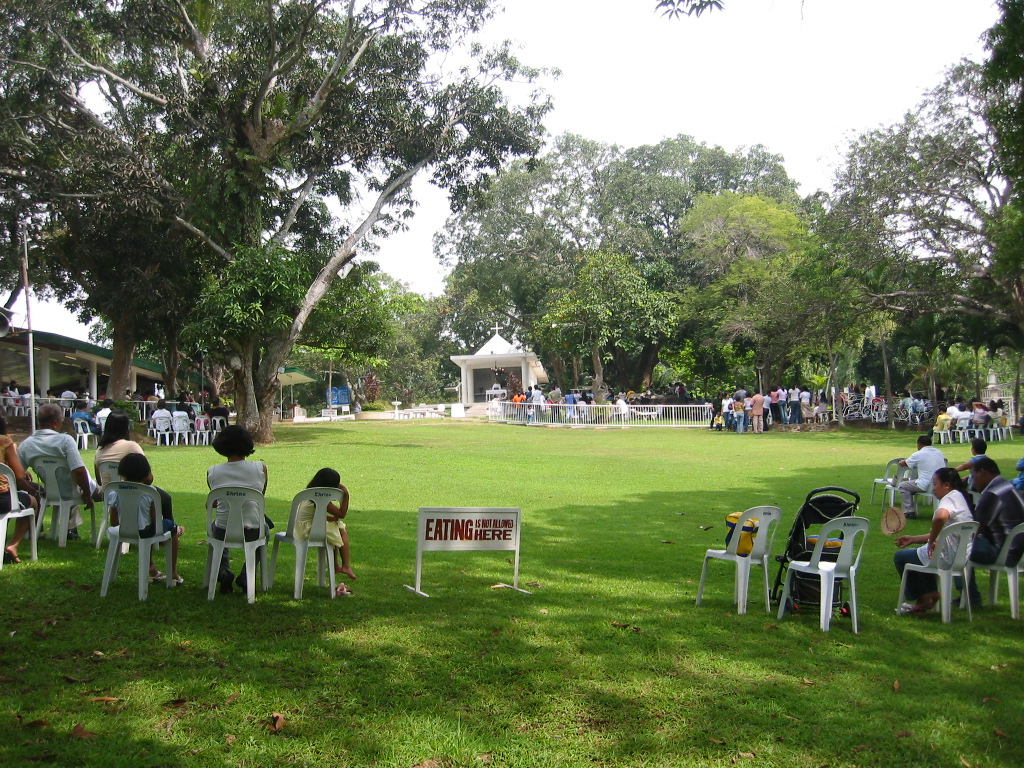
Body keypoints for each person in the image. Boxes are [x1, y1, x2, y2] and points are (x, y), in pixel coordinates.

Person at [894, 467, 974, 614]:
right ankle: (931, 593)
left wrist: (930, 542)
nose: (933, 488)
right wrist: (913, 539)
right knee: (919, 554)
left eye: (935, 484)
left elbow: (940, 517)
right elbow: (944, 533)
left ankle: (924, 597)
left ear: (947, 485)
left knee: (901, 557)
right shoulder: (960, 498)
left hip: (945, 556)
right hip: (961, 558)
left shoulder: (949, 499)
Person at [18, 403, 100, 541]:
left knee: (67, 483)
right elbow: (79, 471)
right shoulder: (65, 440)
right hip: (73, 489)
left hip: (51, 491)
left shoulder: (26, 444)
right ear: (55, 422)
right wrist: (87, 494)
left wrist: (34, 490)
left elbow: (17, 474)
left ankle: (70, 529)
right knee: (109, 493)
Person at [207, 425, 271, 594]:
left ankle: (223, 571)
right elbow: (259, 497)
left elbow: (214, 501)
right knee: (265, 532)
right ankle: (246, 574)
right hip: (252, 530)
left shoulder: (212, 472)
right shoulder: (261, 469)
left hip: (223, 531)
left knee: (216, 530)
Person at [105, 453, 184, 585]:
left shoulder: (115, 491)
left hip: (122, 531)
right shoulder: (150, 491)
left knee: (147, 533)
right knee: (172, 527)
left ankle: (151, 569)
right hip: (145, 531)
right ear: (146, 473)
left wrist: (121, 529)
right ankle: (173, 573)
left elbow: (113, 519)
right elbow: (155, 520)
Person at [965, 458, 1024, 606]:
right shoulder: (1007, 485)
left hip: (1003, 552)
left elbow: (976, 529)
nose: (973, 482)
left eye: (974, 476)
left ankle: (971, 597)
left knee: (958, 545)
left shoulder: (991, 493)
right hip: (1019, 550)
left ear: (983, 472)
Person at [296, 468, 356, 596]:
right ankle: (345, 565)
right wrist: (345, 495)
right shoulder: (319, 497)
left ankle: (336, 565)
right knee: (340, 528)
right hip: (307, 530)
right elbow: (342, 513)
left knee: (336, 527)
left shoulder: (310, 492)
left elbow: (315, 515)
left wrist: (333, 519)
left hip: (303, 526)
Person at [0, 415, 39, 563]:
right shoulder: (4, 441)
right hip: (2, 499)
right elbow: (19, 475)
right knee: (33, 501)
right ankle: (13, 545)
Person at [897, 435, 946, 520]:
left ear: (919, 445)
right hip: (941, 482)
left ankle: (909, 512)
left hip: (926, 484)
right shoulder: (939, 452)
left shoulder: (919, 454)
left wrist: (901, 461)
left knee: (903, 486)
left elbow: (904, 463)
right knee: (914, 482)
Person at [94, 411, 146, 490]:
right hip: (132, 493)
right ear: (126, 427)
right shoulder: (132, 446)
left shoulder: (100, 449)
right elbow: (148, 478)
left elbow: (100, 481)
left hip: (109, 496)